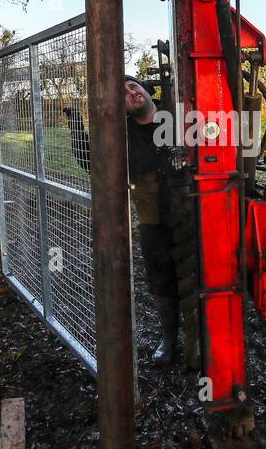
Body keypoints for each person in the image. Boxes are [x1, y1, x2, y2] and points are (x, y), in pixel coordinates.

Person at [65, 76, 186, 366]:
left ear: (145, 90)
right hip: (153, 221)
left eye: (133, 86)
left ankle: (203, 341)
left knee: (201, 278)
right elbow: (89, 159)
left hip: (193, 215)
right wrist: (75, 123)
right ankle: (169, 340)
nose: (132, 92)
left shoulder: (178, 117)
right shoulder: (124, 136)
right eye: (123, 93)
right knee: (161, 282)